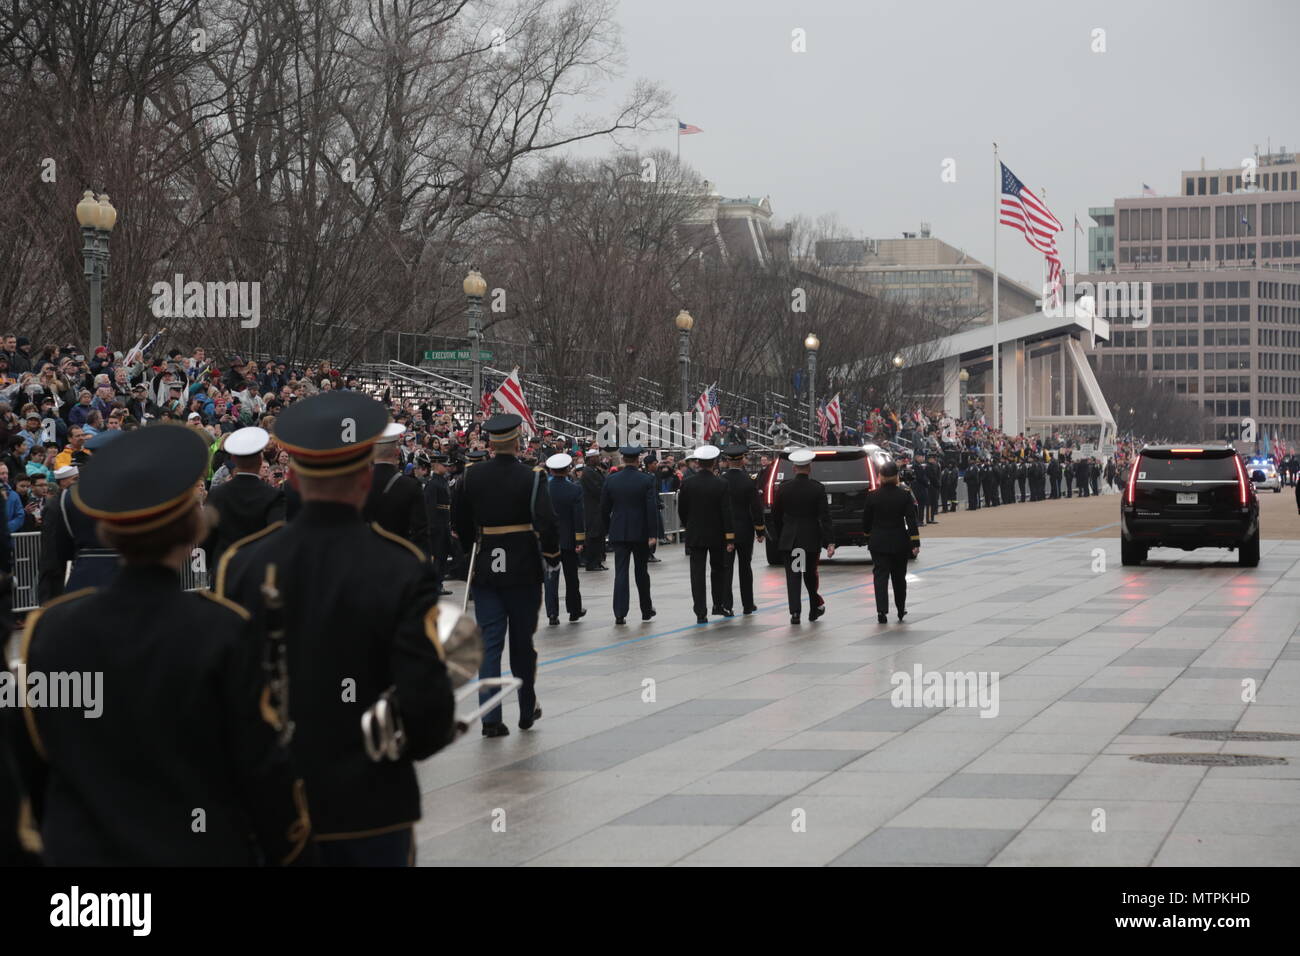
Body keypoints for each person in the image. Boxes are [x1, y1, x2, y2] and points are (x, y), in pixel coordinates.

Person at [15, 424, 311, 864]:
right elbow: (262, 769)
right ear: (193, 527)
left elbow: (32, 764)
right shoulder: (226, 631)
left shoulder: (49, 632)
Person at [218, 391, 455, 865]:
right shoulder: (401, 567)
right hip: (372, 808)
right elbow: (428, 713)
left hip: (272, 812)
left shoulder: (242, 566)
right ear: (366, 478)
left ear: (290, 479)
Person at [451, 413, 559, 738]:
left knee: (490, 645)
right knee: (522, 644)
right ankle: (527, 708)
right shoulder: (533, 476)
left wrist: (477, 544)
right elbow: (546, 520)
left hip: (487, 568)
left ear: (490, 444)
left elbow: (460, 521)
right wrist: (552, 556)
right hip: (523, 567)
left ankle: (490, 718)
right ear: (516, 442)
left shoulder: (471, 476)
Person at [201, 426, 285, 570]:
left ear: (233, 459)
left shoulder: (217, 494)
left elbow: (207, 540)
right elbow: (277, 540)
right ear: (260, 460)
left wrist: (213, 568)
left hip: (224, 572)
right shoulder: (273, 495)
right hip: (258, 573)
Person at [771, 448, 834, 624]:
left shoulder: (783, 489)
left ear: (794, 468)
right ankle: (814, 607)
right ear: (810, 467)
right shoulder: (817, 488)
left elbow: (776, 515)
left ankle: (795, 613)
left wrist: (780, 535)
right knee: (810, 575)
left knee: (793, 575)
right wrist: (830, 541)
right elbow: (824, 517)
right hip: (810, 539)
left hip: (790, 539)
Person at [676, 445, 734, 623]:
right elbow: (726, 512)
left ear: (698, 463)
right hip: (717, 534)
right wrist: (729, 536)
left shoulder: (687, 483)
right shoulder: (722, 483)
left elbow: (682, 510)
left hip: (696, 533)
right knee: (718, 570)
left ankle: (700, 611)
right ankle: (718, 605)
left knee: (697, 574)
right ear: (714, 462)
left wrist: (689, 526)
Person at [600, 444, 657, 625]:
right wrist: (653, 533)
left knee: (621, 573)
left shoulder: (611, 479)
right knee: (642, 572)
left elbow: (604, 509)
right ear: (638, 459)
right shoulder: (646, 480)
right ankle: (646, 610)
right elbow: (651, 509)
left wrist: (609, 528)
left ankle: (620, 613)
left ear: (623, 459)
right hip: (640, 532)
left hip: (619, 531)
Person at [863, 459, 921, 624]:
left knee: (880, 576)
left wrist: (869, 536)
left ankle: (882, 611)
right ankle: (901, 609)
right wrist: (915, 543)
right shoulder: (904, 495)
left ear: (880, 476)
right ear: (897, 477)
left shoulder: (872, 496)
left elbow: (866, 522)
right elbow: (911, 521)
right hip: (899, 541)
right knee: (899, 577)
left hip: (878, 541)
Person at [362, 422, 432, 559]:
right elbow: (421, 533)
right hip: (399, 561)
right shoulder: (410, 486)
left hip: (364, 560)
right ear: (397, 452)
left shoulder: (356, 485)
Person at [720, 443, 764, 614]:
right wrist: (759, 529)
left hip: (726, 530)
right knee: (745, 567)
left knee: (727, 569)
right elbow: (756, 507)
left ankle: (726, 604)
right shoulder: (749, 481)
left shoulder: (722, 480)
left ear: (728, 461)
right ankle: (747, 604)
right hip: (745, 529)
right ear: (742, 461)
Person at [543, 452, 586, 626]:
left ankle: (552, 613)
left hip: (549, 540)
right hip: (568, 539)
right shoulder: (575, 489)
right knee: (571, 576)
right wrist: (580, 541)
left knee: (550, 578)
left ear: (551, 470)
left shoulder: (543, 488)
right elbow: (578, 517)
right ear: (568, 469)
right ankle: (574, 610)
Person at [423, 452, 453, 595]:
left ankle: (439, 583)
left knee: (443, 555)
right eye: (444, 465)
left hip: (444, 522)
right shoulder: (432, 483)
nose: (446, 467)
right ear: (436, 465)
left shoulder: (442, 480)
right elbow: (430, 507)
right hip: (437, 525)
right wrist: (432, 527)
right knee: (438, 555)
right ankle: (434, 584)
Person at [580, 449, 608, 571]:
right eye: (596, 457)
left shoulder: (595, 470)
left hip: (598, 508)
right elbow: (597, 489)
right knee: (593, 536)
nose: (599, 459)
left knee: (599, 536)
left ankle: (597, 561)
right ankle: (591, 562)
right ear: (591, 458)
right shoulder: (587, 472)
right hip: (592, 509)